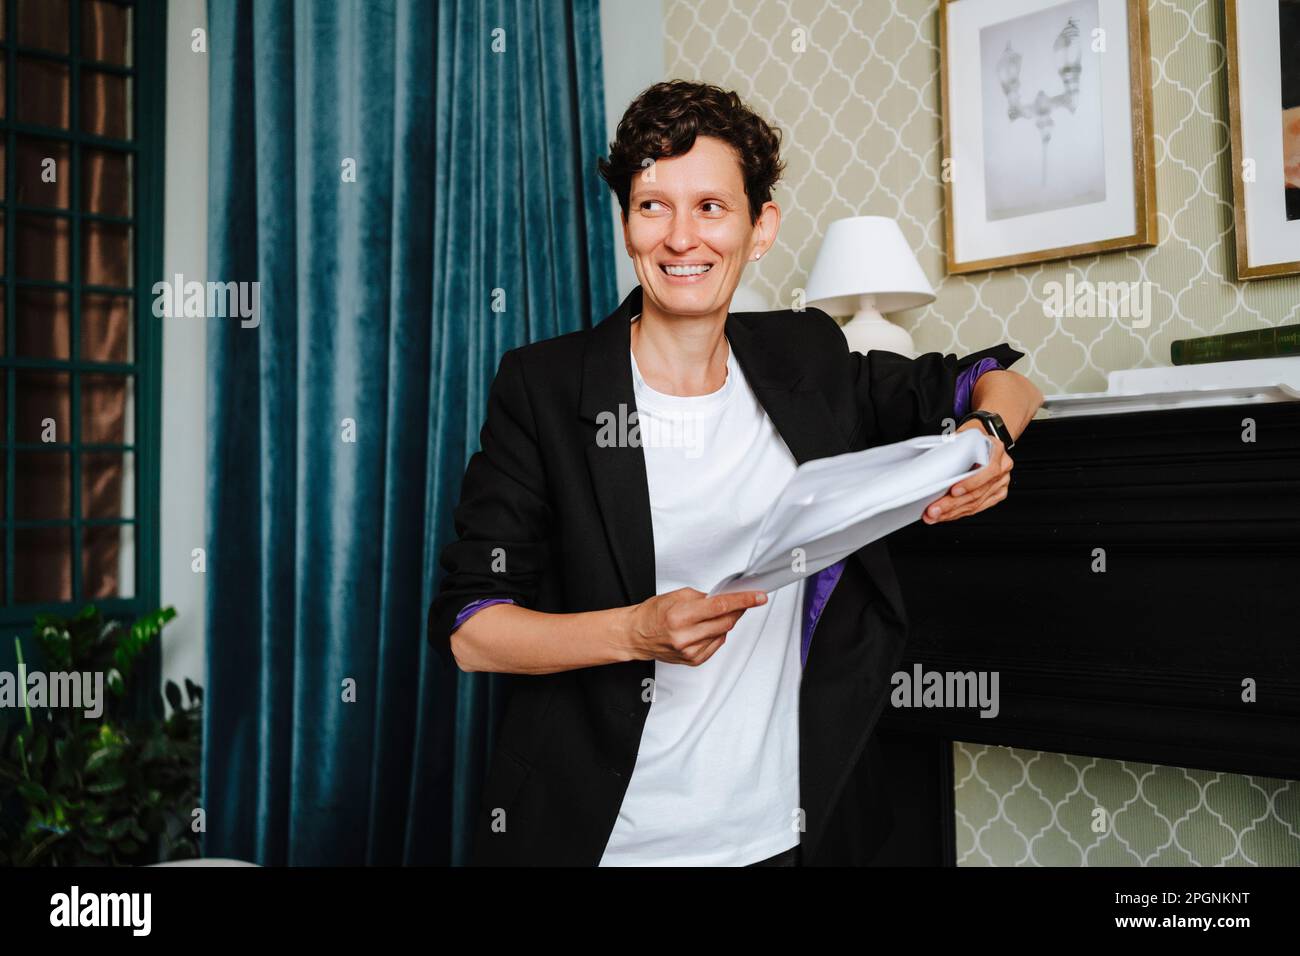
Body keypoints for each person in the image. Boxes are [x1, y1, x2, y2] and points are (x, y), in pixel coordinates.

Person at [428, 80, 1044, 866]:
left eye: (712, 207)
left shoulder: (807, 358)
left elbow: (998, 379)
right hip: (605, 840)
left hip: (788, 834)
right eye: (654, 206)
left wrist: (991, 435)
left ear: (760, 229)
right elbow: (472, 632)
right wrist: (635, 632)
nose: (682, 238)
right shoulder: (542, 388)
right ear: (626, 224)